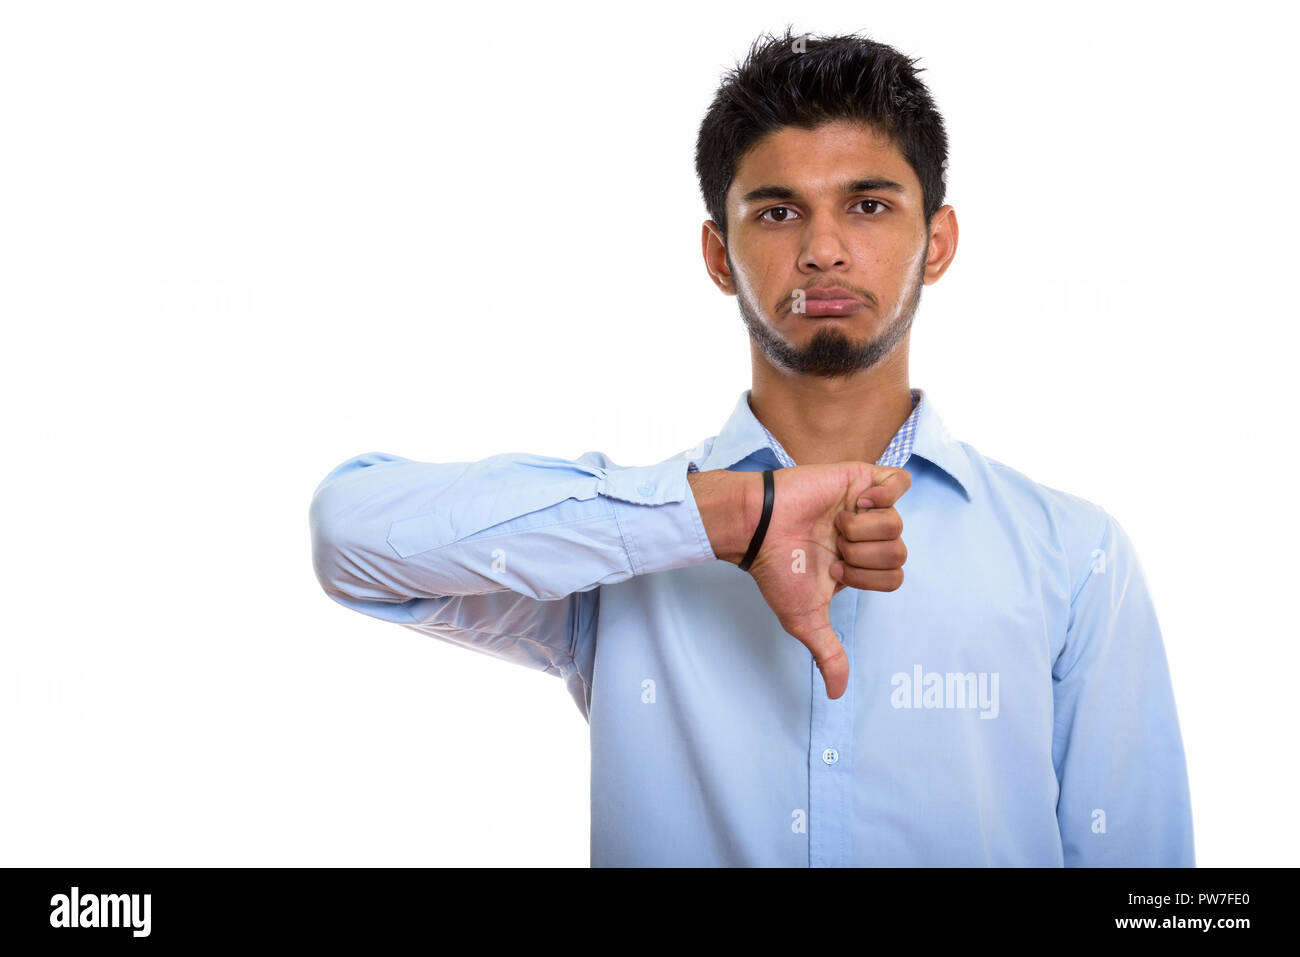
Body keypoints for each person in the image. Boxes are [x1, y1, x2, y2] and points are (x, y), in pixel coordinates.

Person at [308, 28, 1194, 867]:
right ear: (719, 255)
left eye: (869, 205)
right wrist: (730, 512)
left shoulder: (1074, 558)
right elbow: (353, 538)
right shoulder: (627, 557)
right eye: (776, 212)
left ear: (939, 243)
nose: (822, 250)